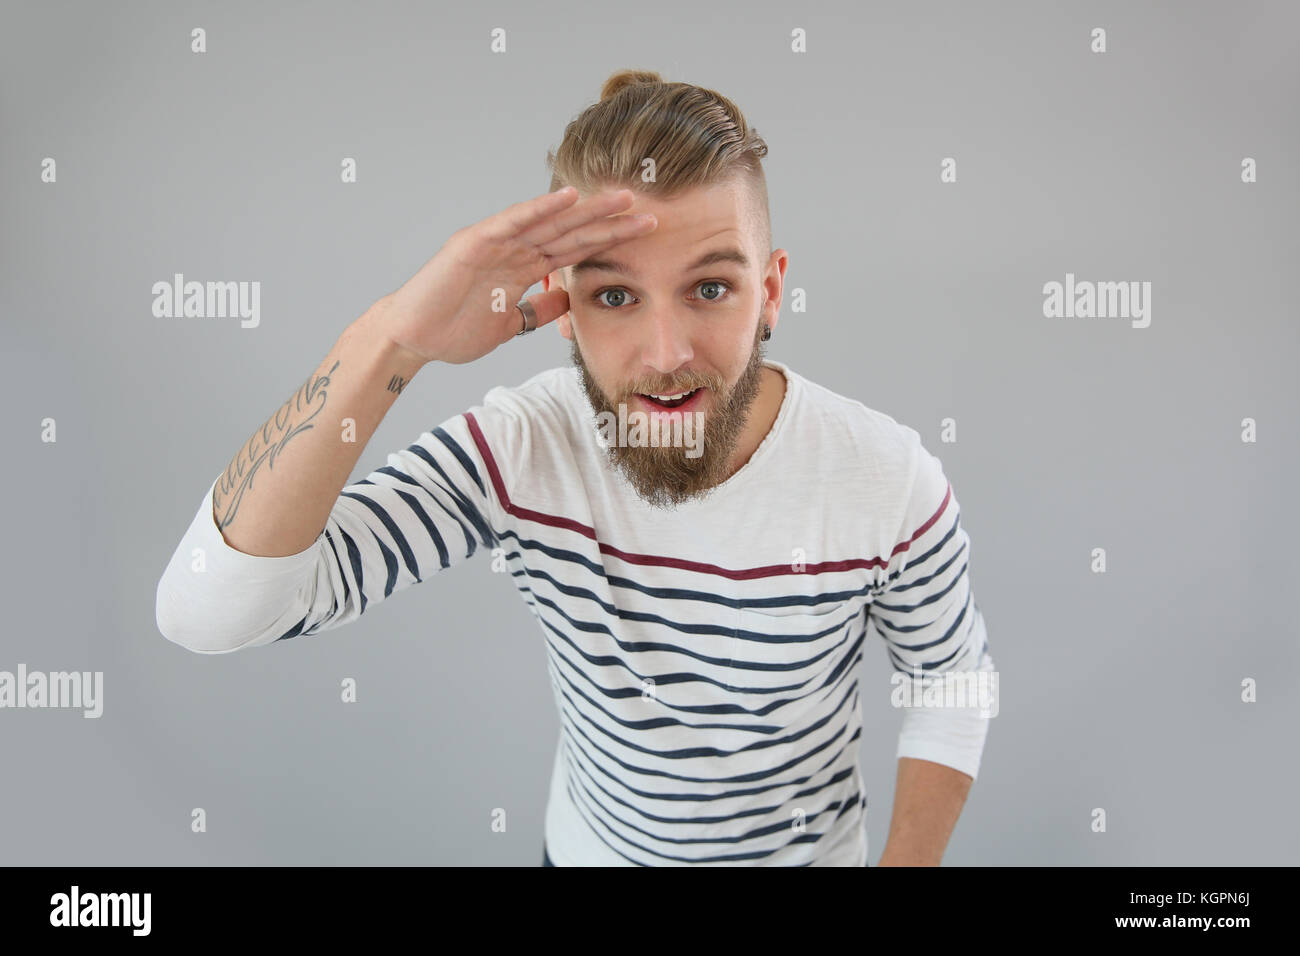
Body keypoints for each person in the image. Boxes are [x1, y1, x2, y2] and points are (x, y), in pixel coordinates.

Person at [155, 69, 996, 867]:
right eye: (615, 296)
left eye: (710, 289)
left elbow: (950, 681)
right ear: (561, 303)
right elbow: (209, 613)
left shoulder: (886, 479)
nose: (666, 356)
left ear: (771, 292)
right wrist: (390, 340)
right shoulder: (523, 451)